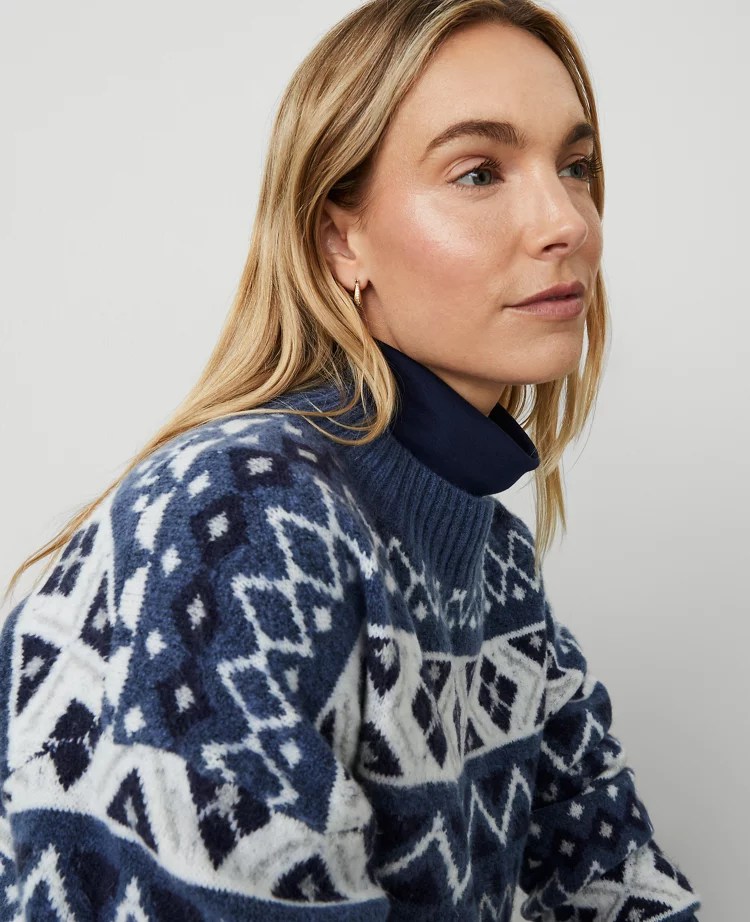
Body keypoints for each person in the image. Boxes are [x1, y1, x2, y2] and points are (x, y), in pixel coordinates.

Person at [0, 1, 702, 919]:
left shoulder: (491, 562)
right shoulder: (241, 520)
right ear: (341, 239)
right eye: (479, 171)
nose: (565, 220)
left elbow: (612, 884)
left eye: (575, 167)